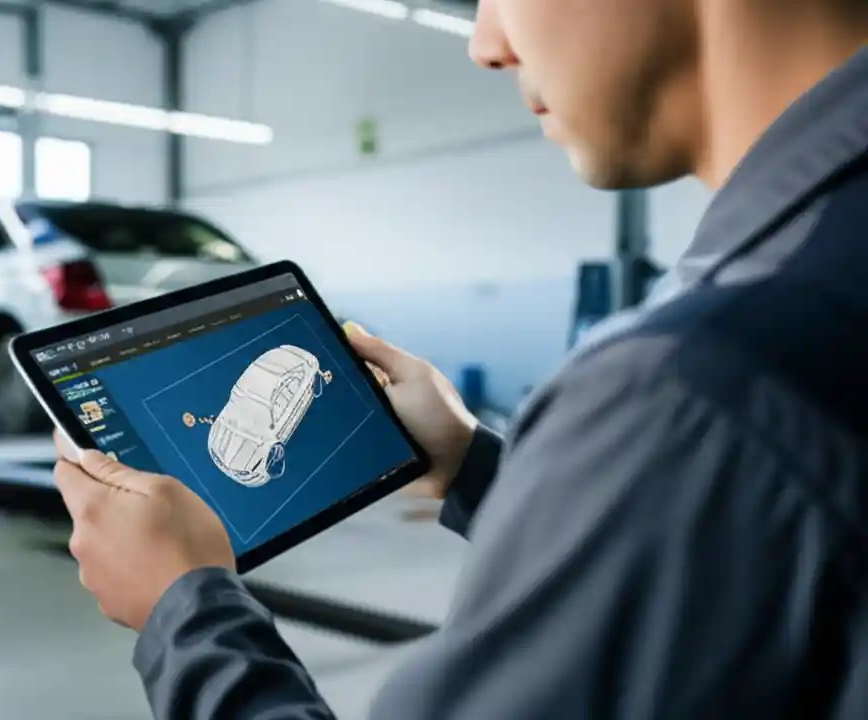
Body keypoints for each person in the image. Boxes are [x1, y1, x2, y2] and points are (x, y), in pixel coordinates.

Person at [52, 0, 868, 716]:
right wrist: (473, 464)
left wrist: (180, 607)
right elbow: (731, 569)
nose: (485, 43)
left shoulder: (695, 386)